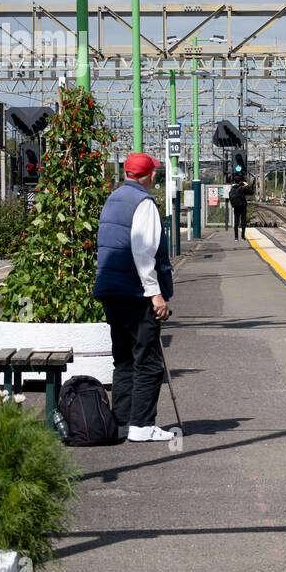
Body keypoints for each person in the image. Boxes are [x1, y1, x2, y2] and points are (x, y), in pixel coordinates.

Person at [93, 152, 176, 442]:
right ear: (149, 175)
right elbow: (143, 253)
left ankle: (122, 421)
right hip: (136, 292)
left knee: (124, 358)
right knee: (149, 361)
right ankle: (142, 425)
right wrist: (156, 295)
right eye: (154, 172)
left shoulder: (113, 199)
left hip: (111, 289)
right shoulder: (144, 204)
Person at [229, 172, 254, 241]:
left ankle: (236, 237)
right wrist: (247, 185)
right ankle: (243, 236)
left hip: (236, 207)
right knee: (243, 222)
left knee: (236, 222)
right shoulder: (243, 187)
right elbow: (251, 192)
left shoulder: (233, 187)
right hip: (243, 206)